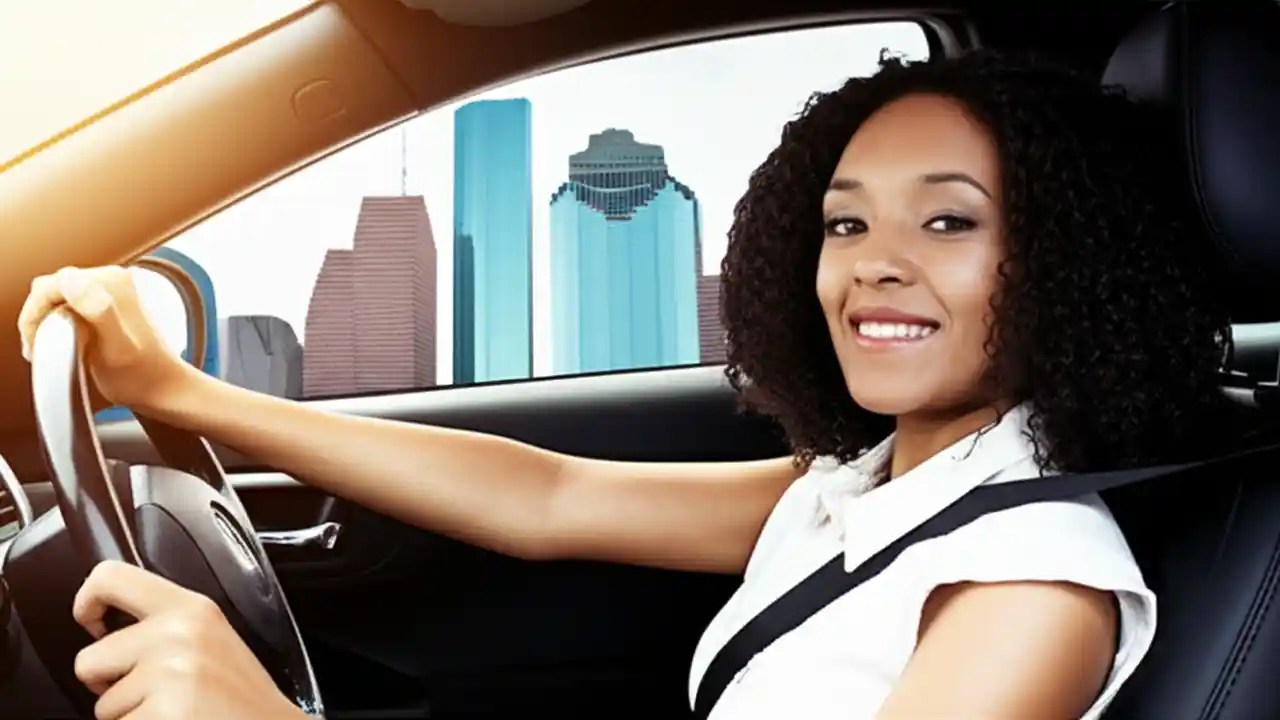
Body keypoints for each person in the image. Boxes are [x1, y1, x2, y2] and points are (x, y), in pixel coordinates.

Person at [17, 49, 1240, 719]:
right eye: (844, 224)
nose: (876, 268)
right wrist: (184, 393)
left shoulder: (1026, 584)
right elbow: (546, 498)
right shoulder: (868, 488)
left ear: (1066, 266)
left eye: (948, 222)